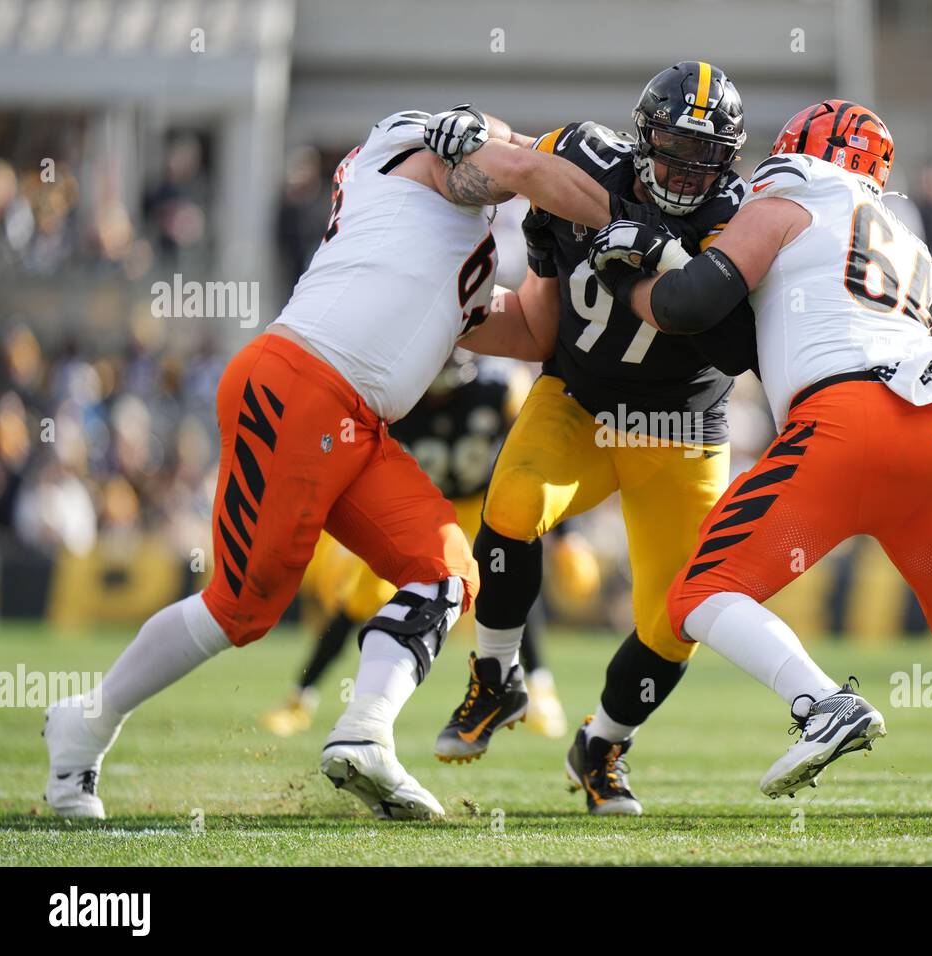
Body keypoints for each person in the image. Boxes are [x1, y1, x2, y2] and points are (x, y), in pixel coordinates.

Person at [43, 105, 635, 821]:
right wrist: (634, 217)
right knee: (242, 607)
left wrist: (552, 251)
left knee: (447, 571)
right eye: (502, 131)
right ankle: (87, 721)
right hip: (299, 384)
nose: (512, 143)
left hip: (357, 424)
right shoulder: (416, 149)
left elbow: (537, 329)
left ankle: (365, 734)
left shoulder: (459, 240)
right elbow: (519, 166)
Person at [589, 100, 932, 826]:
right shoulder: (906, 239)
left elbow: (694, 302)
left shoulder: (794, 186)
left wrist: (631, 276)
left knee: (697, 596)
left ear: (799, 148)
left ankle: (823, 705)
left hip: (848, 423)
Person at [431, 63, 760, 816]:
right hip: (579, 399)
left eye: (703, 158)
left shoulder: (743, 215)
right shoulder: (582, 156)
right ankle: (496, 676)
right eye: (671, 149)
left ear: (728, 162)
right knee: (510, 504)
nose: (684, 171)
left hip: (680, 427)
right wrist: (458, 137)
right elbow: (513, 168)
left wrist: (663, 252)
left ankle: (603, 745)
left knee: (676, 618)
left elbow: (740, 344)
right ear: (641, 137)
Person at [258, 353, 569, 740]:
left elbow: (537, 454)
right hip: (426, 506)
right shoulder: (394, 398)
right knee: (360, 597)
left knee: (509, 578)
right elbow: (346, 457)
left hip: (481, 503)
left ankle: (540, 689)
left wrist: (564, 533)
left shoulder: (500, 388)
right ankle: (298, 699)